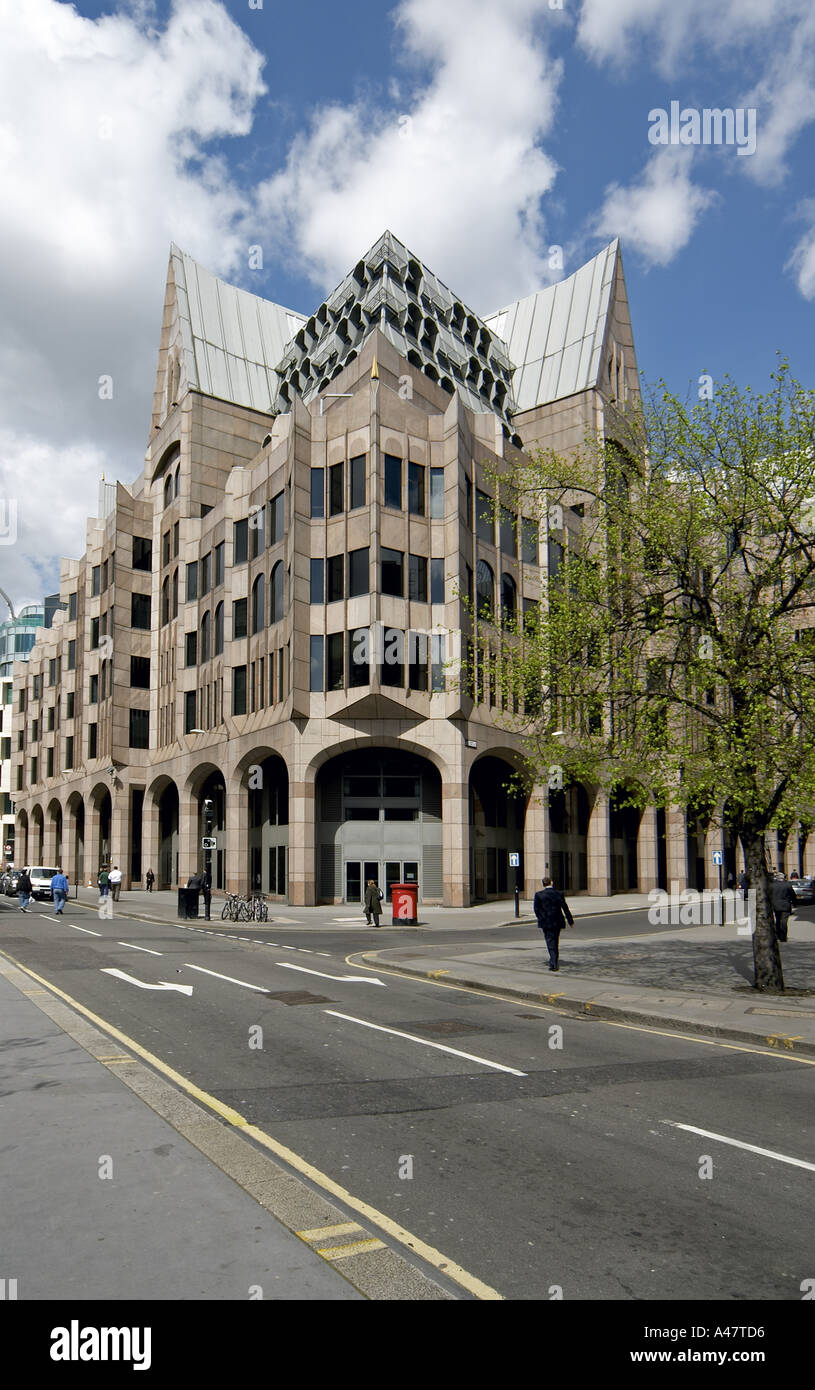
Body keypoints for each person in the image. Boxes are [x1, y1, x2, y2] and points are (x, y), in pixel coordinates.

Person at [533, 876, 574, 971]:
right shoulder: (559, 894)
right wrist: (570, 921)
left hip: (546, 922)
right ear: (551, 883)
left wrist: (541, 918)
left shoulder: (539, 895)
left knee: (550, 941)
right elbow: (565, 908)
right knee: (555, 941)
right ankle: (554, 960)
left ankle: (554, 963)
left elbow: (536, 909)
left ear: (543, 884)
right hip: (557, 921)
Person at [770, 874, 797, 943]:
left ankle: (778, 935)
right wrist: (794, 903)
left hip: (776, 905)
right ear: (784, 878)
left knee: (778, 920)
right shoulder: (787, 885)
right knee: (784, 921)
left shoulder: (772, 885)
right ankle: (783, 936)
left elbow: (769, 895)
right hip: (785, 905)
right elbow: (793, 895)